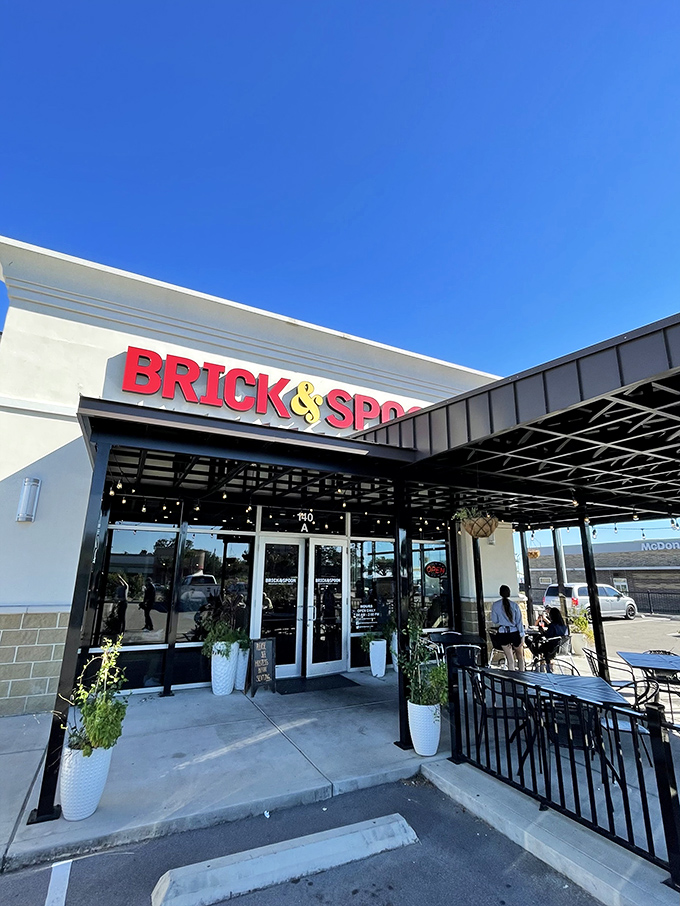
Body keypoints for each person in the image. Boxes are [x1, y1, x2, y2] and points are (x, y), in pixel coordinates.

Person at [490, 584, 526, 670]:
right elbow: (519, 622)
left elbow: (495, 620)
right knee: (520, 657)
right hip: (514, 632)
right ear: (509, 593)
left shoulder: (495, 605)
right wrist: (522, 636)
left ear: (500, 593)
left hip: (503, 633)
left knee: (510, 660)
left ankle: (511, 679)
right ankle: (523, 676)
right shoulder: (515, 605)